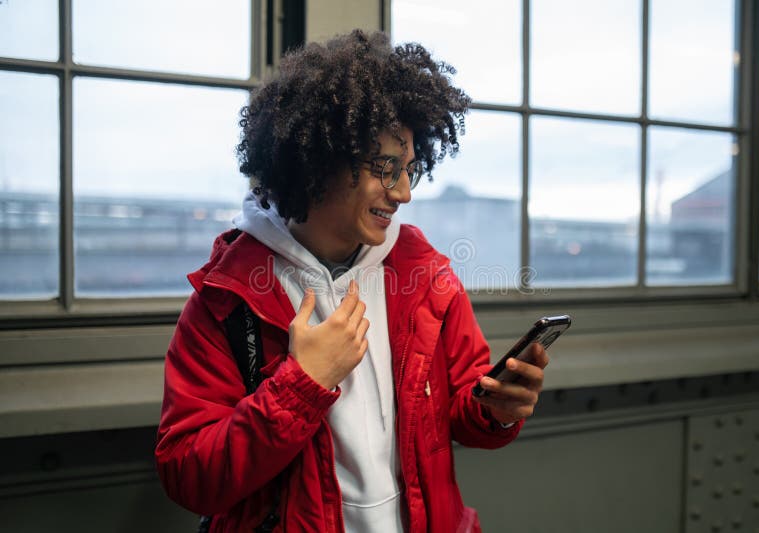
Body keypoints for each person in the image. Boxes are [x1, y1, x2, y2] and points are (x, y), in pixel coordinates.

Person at [155, 29, 549, 533]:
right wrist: (301, 387)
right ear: (319, 161)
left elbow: (461, 415)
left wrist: (495, 407)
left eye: (411, 169)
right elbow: (189, 477)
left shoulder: (423, 274)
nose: (404, 193)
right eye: (386, 168)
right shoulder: (227, 297)